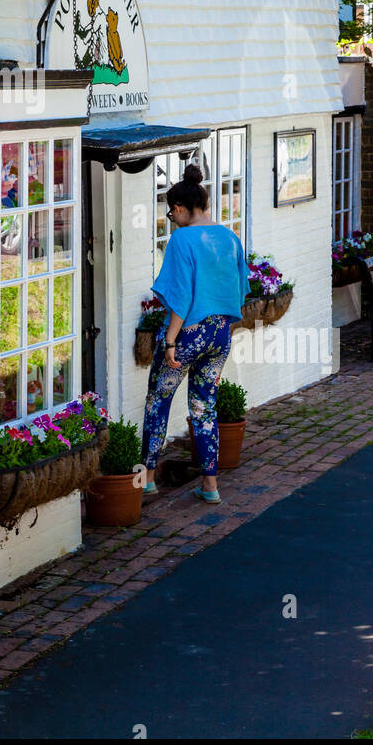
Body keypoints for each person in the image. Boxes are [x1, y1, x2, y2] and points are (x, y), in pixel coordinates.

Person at [141, 164, 250, 504]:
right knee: (204, 408)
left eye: (172, 209)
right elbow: (240, 289)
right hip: (220, 335)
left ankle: (146, 479)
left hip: (187, 335)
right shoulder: (230, 238)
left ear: (184, 208)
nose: (170, 215)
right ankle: (211, 486)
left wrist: (171, 340)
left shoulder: (181, 239)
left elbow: (180, 297)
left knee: (158, 402)